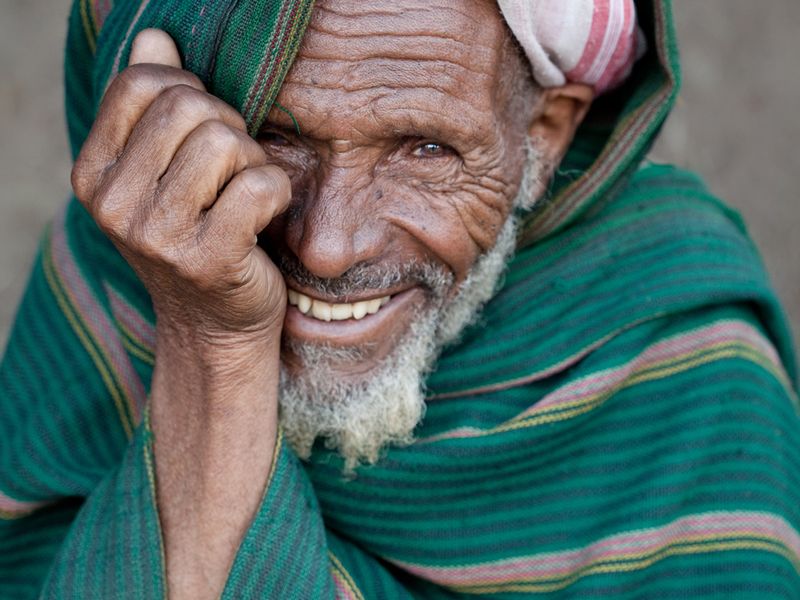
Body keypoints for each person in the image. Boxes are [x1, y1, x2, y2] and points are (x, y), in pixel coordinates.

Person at [1, 0, 799, 598]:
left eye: (426, 150)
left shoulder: (680, 353)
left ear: (545, 133)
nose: (326, 245)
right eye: (273, 137)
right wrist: (212, 348)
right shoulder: (130, 264)